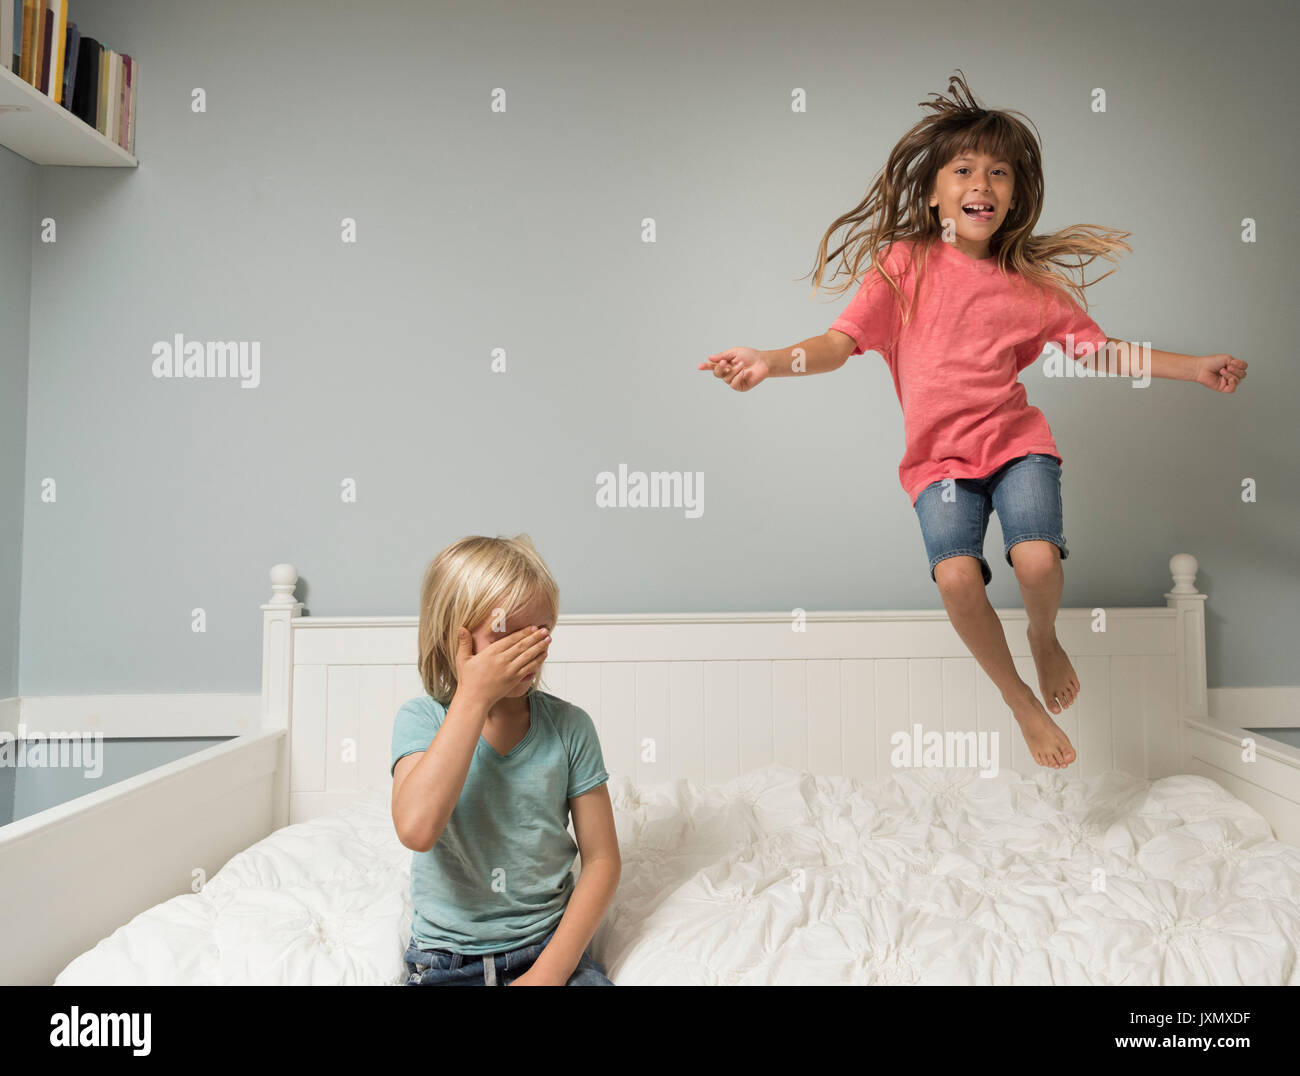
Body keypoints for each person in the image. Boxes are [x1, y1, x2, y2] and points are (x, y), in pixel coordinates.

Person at [699, 70, 1246, 769]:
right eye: (963, 170)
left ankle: (1044, 638)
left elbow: (1100, 352)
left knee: (1037, 558)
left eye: (998, 172)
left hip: (1018, 448)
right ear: (934, 193)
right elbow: (840, 345)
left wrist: (1193, 366)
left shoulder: (1033, 287)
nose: (980, 182)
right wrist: (771, 360)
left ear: (1015, 195)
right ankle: (1021, 703)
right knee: (957, 578)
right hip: (939, 465)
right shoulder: (902, 266)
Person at [392, 534, 620, 984]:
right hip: (446, 962)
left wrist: (549, 974)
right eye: (505, 631)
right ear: (452, 634)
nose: (529, 649)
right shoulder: (422, 720)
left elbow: (602, 861)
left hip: (548, 952)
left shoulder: (569, 727)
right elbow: (417, 829)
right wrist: (473, 697)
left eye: (540, 631)